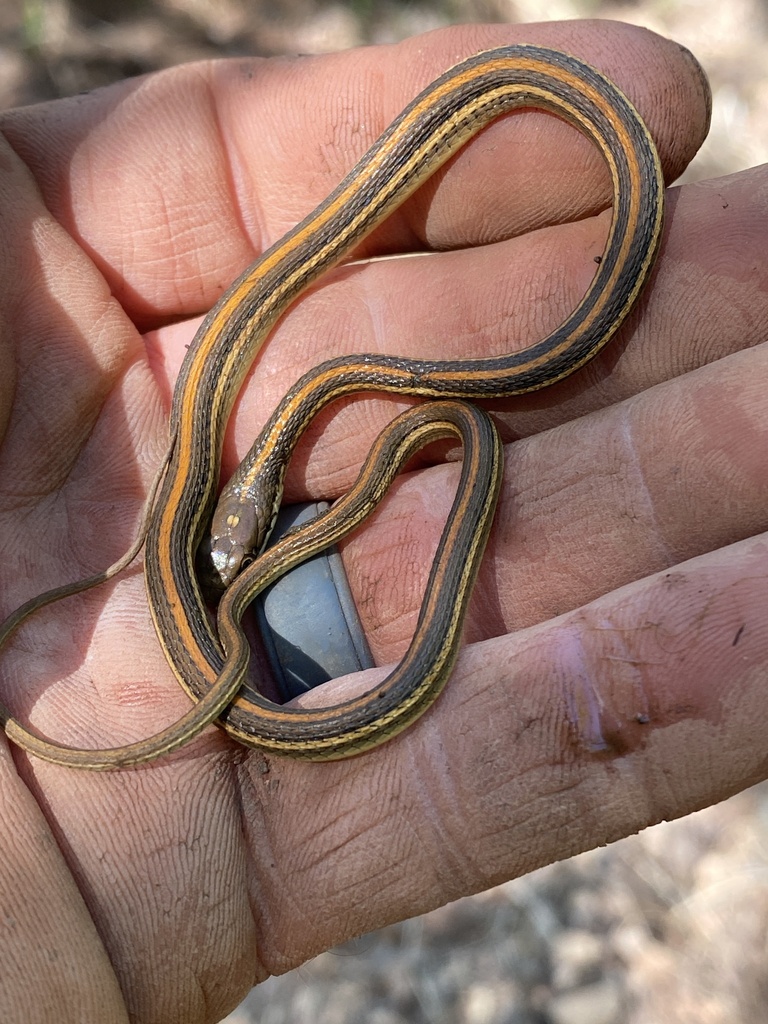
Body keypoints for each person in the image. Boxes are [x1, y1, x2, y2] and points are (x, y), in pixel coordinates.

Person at [0, 17, 765, 1024]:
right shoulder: (235, 452)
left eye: (240, 542)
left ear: (262, 498)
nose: (225, 559)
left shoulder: (335, 399)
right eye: (234, 548)